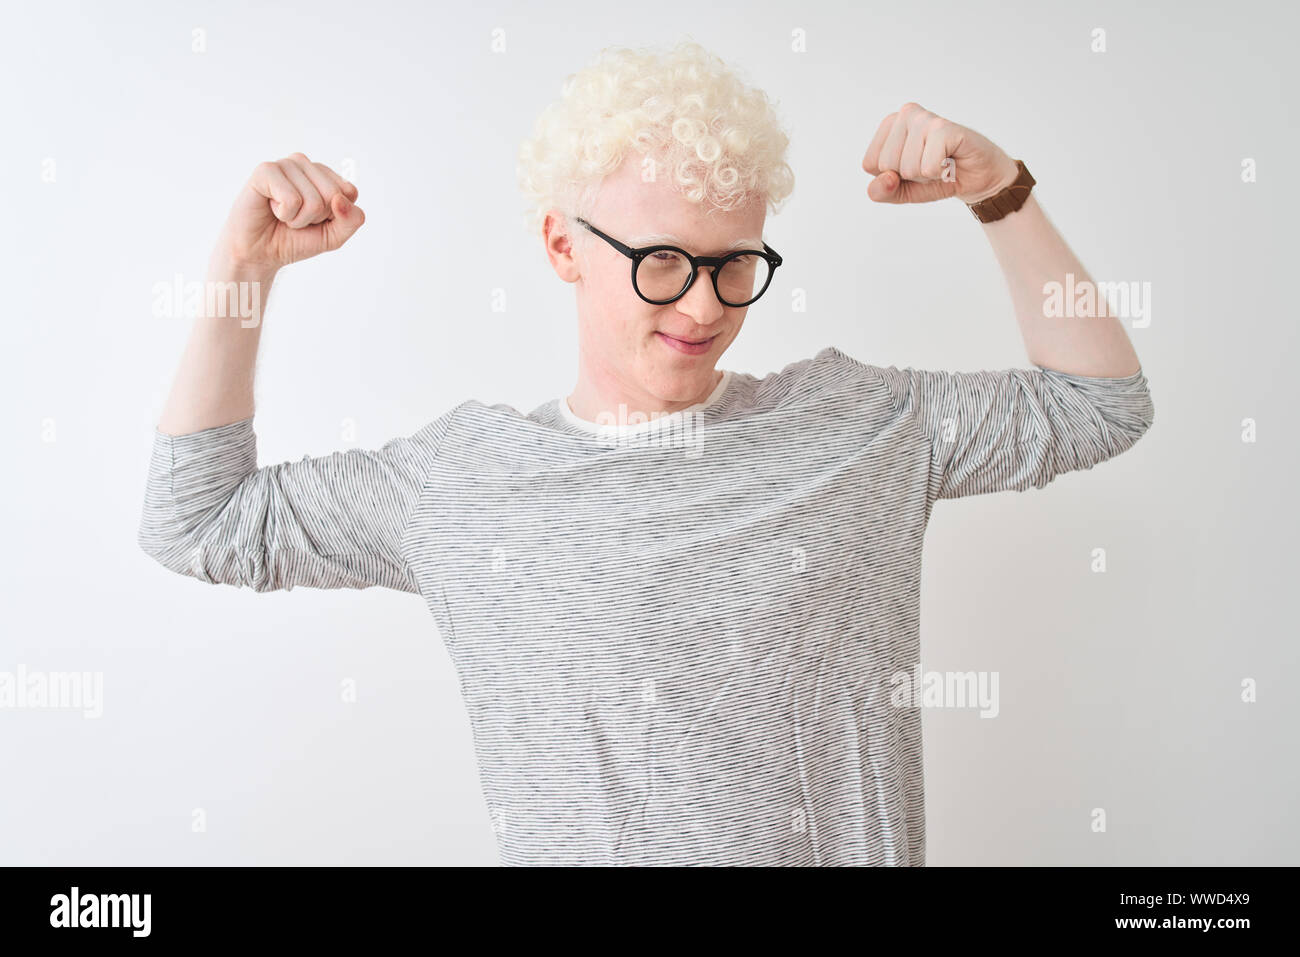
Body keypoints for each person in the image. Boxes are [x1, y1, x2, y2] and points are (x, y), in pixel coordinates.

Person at [138, 39, 1153, 866]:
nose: (705, 306)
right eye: (661, 262)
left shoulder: (857, 427)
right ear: (562, 247)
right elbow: (198, 520)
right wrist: (243, 269)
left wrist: (1004, 193)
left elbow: (1099, 404)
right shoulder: (460, 484)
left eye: (734, 265)